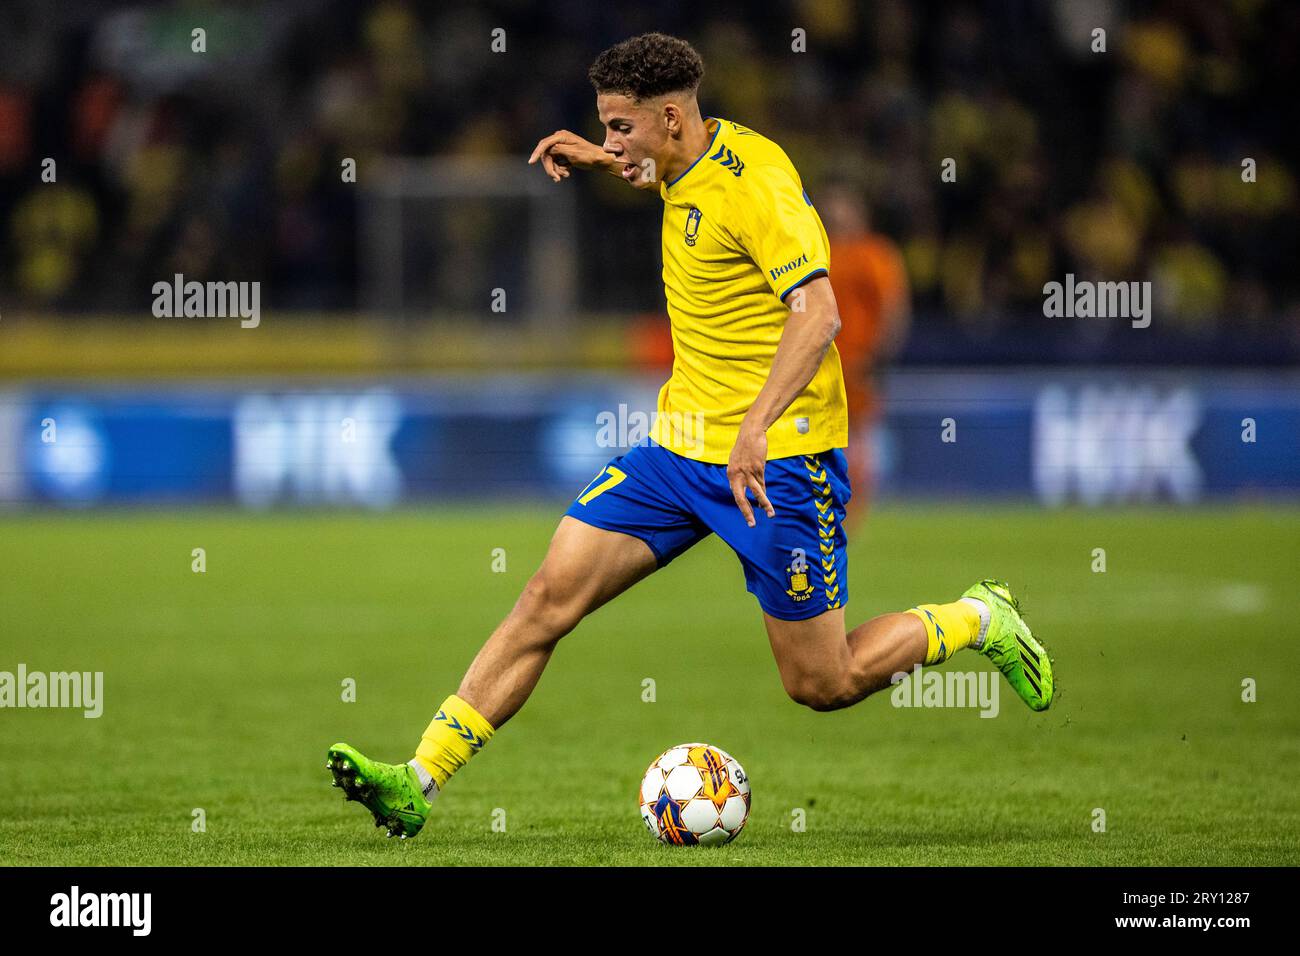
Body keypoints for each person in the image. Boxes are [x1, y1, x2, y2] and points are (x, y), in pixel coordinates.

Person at [327, 33, 1054, 839]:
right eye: (605, 128)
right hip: (677, 451)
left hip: (776, 462)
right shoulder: (681, 158)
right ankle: (417, 779)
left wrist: (755, 427)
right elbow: (665, 172)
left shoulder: (763, 187)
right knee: (546, 598)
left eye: (619, 128)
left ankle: (978, 618)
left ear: (670, 117)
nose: (610, 142)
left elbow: (819, 316)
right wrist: (611, 161)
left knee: (823, 680)